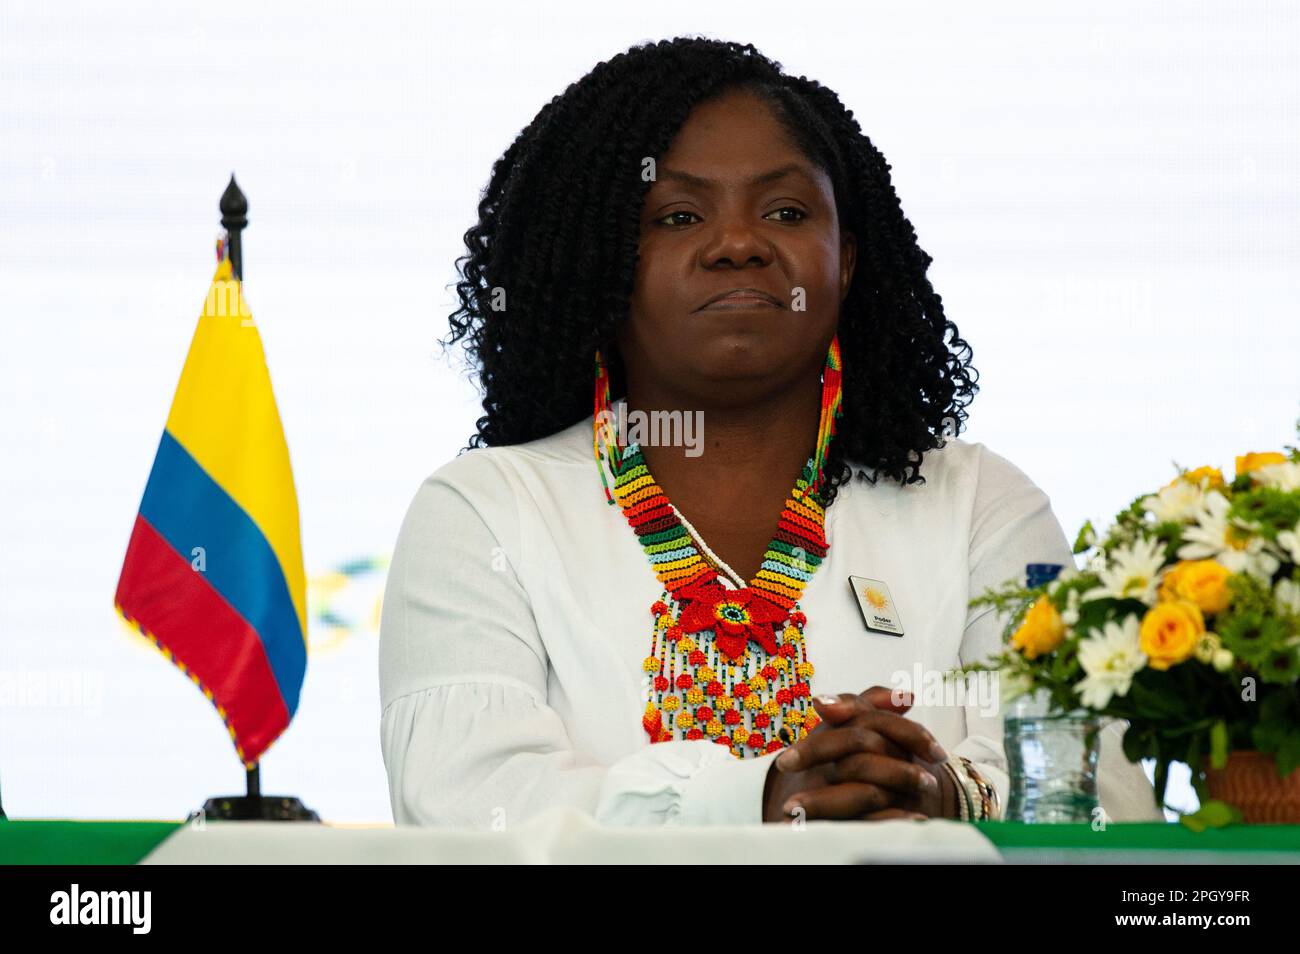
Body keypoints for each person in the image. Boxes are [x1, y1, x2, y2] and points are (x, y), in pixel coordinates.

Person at [379, 36, 1161, 828]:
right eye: (679, 216)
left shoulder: (980, 505)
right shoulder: (482, 513)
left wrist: (939, 792)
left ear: (846, 259)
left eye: (786, 211)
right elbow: (471, 808)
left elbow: (1107, 801)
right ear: (598, 263)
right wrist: (759, 797)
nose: (738, 244)